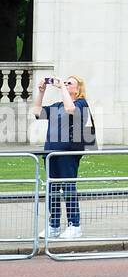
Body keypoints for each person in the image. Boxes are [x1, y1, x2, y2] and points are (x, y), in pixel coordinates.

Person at [33, 75, 94, 240]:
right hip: (52, 152)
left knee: (68, 188)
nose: (66, 85)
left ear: (78, 88)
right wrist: (41, 91)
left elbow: (70, 109)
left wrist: (62, 88)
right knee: (52, 189)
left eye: (70, 83)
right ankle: (54, 225)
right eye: (65, 82)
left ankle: (75, 225)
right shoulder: (57, 105)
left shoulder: (81, 104)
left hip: (68, 152)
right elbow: (37, 112)